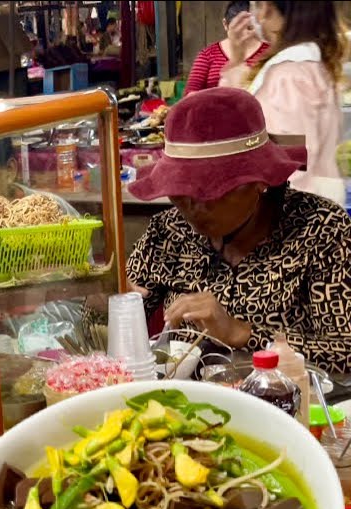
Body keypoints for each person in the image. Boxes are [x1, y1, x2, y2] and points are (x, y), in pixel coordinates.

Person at [126, 87, 351, 374]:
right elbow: (102, 334)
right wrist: (108, 303)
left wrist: (241, 332)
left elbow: (345, 351)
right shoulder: (167, 231)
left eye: (209, 191)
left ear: (261, 180)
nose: (191, 206)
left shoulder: (322, 229)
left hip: (284, 398)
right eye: (179, 190)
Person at [219, 1, 345, 203]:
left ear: (266, 7)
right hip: (312, 205)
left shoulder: (289, 75)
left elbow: (291, 167)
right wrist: (237, 61)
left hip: (298, 210)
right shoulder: (306, 65)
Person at [185, 2, 269, 93]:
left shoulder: (270, 53)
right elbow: (189, 95)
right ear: (225, 24)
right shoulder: (208, 55)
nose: (244, 35)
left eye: (249, 28)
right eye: (237, 30)